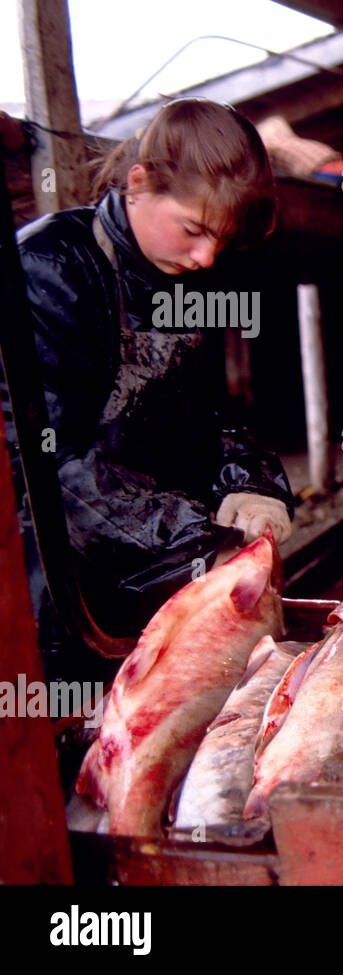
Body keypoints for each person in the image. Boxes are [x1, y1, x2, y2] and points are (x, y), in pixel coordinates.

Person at [5, 98, 294, 672]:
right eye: (194, 230)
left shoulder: (187, 278)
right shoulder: (48, 269)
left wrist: (252, 484)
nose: (208, 257)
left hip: (161, 569)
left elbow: (213, 411)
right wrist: (199, 538)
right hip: (60, 584)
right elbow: (46, 463)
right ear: (138, 183)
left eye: (222, 240)